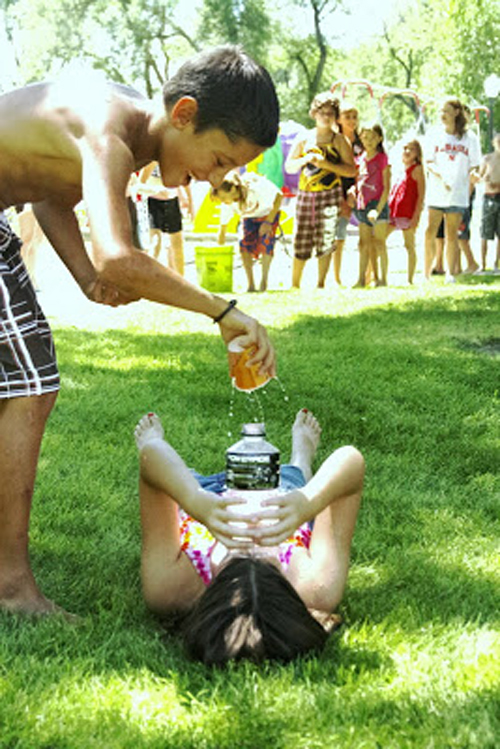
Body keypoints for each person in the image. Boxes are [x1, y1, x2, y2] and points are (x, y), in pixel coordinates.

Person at [0, 45, 280, 616]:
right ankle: (9, 587)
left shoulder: (125, 120)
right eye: (221, 159)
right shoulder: (110, 130)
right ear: (183, 114)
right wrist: (223, 312)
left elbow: (54, 192)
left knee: (25, 381)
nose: (213, 177)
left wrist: (84, 277)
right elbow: (118, 256)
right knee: (30, 386)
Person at [134, 409, 364, 665]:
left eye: (234, 551)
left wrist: (193, 499)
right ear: (288, 587)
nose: (252, 536)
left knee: (171, 469)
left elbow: (151, 457)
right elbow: (350, 461)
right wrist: (308, 501)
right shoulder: (315, 588)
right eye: (265, 550)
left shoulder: (172, 590)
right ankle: (301, 457)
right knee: (295, 480)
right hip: (280, 499)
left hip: (202, 503)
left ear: (209, 594)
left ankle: (186, 474)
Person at [285, 92, 356, 289]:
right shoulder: (304, 137)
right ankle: (295, 285)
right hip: (306, 194)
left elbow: (351, 170)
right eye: (322, 112)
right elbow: (289, 166)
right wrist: (305, 160)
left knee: (326, 238)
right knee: (301, 237)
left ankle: (320, 283)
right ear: (314, 113)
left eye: (330, 113)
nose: (325, 117)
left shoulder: (340, 140)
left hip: (330, 193)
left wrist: (326, 164)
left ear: (335, 116)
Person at [424, 99, 481, 282]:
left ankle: (450, 273)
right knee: (430, 231)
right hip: (437, 191)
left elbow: (475, 165)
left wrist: (474, 175)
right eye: (441, 111)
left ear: (457, 112)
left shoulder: (469, 138)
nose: (442, 114)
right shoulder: (434, 134)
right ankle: (425, 274)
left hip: (458, 192)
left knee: (452, 233)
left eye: (446, 111)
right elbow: (429, 161)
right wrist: (440, 175)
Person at [211, 170, 282, 292]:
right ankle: (251, 284)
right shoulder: (229, 202)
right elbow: (224, 223)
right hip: (249, 217)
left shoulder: (255, 187)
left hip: (267, 214)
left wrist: (268, 222)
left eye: (223, 197)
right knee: (244, 246)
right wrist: (221, 237)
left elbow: (278, 196)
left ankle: (263, 282)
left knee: (266, 243)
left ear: (233, 189)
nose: (222, 201)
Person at [352, 124, 391, 287]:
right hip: (362, 204)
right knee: (363, 242)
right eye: (365, 137)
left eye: (372, 137)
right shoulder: (360, 158)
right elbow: (359, 180)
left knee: (379, 242)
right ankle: (361, 279)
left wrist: (378, 209)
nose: (368, 141)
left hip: (377, 204)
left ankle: (382, 279)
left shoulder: (382, 159)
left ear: (379, 139)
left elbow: (386, 187)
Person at [138, 161, 194, 275]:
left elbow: (185, 180)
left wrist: (190, 203)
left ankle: (180, 279)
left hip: (171, 200)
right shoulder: (153, 160)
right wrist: (150, 192)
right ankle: (150, 275)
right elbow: (140, 183)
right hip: (153, 201)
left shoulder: (177, 157)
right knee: (155, 241)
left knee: (177, 242)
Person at [387, 140, 426, 285]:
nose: (407, 151)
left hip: (408, 214)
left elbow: (421, 194)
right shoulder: (402, 169)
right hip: (395, 213)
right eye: (405, 148)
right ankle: (372, 274)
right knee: (378, 240)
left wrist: (417, 216)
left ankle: (410, 279)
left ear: (417, 153)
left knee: (409, 245)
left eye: (412, 149)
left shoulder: (417, 170)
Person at [335, 102, 363, 286]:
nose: (352, 121)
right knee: (339, 235)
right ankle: (336, 277)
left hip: (362, 191)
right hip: (339, 191)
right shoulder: (335, 140)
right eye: (347, 117)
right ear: (339, 119)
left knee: (368, 235)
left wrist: (357, 190)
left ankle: (366, 275)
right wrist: (340, 196)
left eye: (354, 117)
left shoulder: (363, 140)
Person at [478, 133, 500, 273]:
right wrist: (485, 179)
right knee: (485, 232)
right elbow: (479, 177)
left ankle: (496, 265)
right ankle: (483, 264)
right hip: (488, 197)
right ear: (494, 142)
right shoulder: (487, 158)